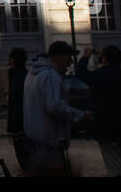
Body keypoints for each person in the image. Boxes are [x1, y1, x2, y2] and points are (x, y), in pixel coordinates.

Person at [21, 41, 91, 176]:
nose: (70, 63)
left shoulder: (33, 73)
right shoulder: (50, 75)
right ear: (58, 56)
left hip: (34, 139)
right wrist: (81, 115)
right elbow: (55, 106)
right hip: (48, 141)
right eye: (69, 57)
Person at [77, 45, 121, 176]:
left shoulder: (101, 74)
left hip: (105, 125)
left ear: (104, 59)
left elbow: (81, 73)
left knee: (114, 165)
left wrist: (85, 56)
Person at [5, 47, 28, 137]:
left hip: (20, 124)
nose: (8, 60)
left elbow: (17, 101)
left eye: (10, 57)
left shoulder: (19, 76)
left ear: (14, 60)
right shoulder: (18, 74)